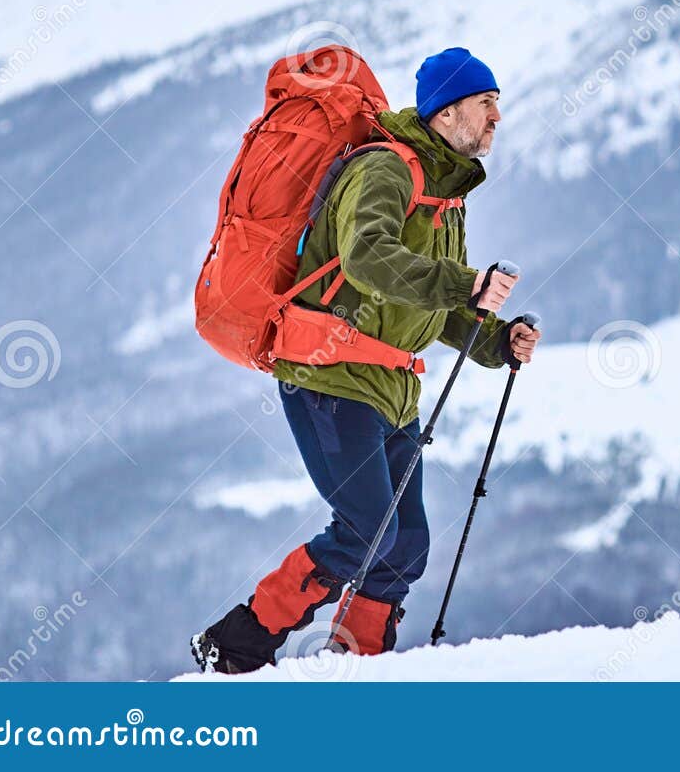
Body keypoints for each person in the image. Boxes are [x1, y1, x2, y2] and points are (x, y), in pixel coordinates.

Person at [193, 47, 540, 673]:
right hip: (330, 374)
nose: (496, 118)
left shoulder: (447, 195)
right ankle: (233, 646)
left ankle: (358, 666)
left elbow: (427, 301)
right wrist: (466, 285)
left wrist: (496, 339)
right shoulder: (385, 168)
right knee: (365, 530)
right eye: (486, 105)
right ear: (447, 111)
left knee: (405, 544)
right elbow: (368, 258)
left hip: (391, 385)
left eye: (497, 107)